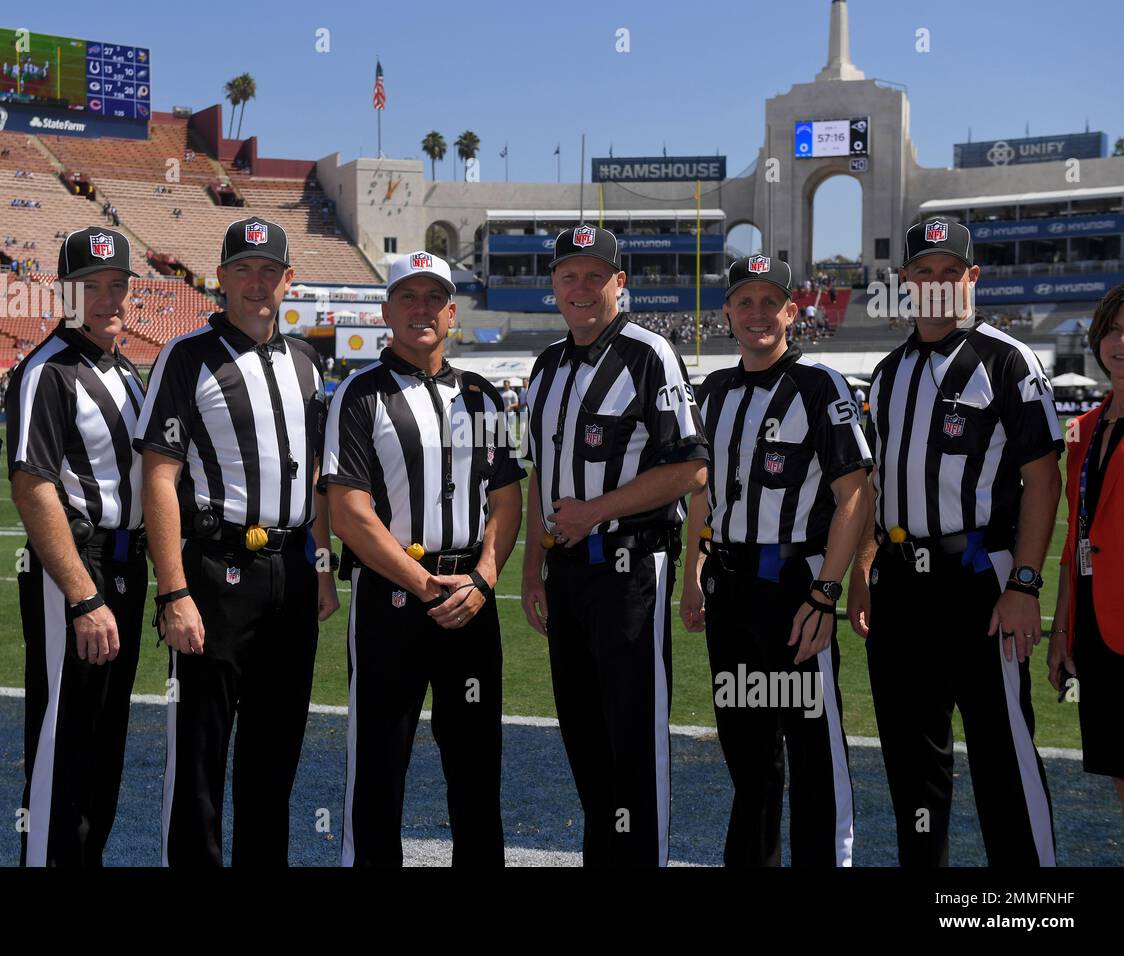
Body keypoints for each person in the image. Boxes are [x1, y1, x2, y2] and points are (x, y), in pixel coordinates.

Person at [846, 219, 1062, 866]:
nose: (936, 284)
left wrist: (1025, 583)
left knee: (1002, 757)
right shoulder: (886, 374)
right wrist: (862, 570)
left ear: (972, 278)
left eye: (950, 272)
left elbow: (1043, 481)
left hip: (979, 577)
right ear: (906, 280)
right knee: (913, 765)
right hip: (900, 586)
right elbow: (876, 482)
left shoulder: (1006, 360)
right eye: (924, 272)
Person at [135, 217, 338, 866]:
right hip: (217, 570)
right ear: (220, 278)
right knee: (200, 751)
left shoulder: (307, 360)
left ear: (288, 279)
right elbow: (159, 478)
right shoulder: (188, 355)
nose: (257, 283)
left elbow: (317, 478)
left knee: (274, 754)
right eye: (243, 270)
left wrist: (325, 569)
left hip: (293, 570)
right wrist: (174, 592)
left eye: (269, 271)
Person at [321, 252, 523, 866]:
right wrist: (425, 584)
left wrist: (484, 579)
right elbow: (348, 511)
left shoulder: (485, 398)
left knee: (475, 768)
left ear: (452, 312)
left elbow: (508, 498)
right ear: (387, 312)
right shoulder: (357, 394)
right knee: (380, 765)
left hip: (471, 601)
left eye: (433, 298)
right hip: (393, 600)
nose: (421, 310)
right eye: (408, 298)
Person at [521, 225, 709, 866]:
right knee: (583, 737)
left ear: (618, 283)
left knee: (634, 743)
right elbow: (540, 474)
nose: (580, 287)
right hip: (568, 573)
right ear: (553, 285)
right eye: (569, 275)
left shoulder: (649, 353)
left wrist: (592, 512)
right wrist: (533, 567)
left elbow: (690, 469)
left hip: (630, 570)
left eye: (594, 275)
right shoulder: (546, 366)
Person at [680, 255, 871, 866]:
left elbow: (856, 493)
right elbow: (702, 494)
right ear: (727, 313)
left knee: (814, 753)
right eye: (744, 301)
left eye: (771, 301)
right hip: (731, 591)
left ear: (793, 310)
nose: (757, 313)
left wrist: (825, 592)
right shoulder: (712, 391)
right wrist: (693, 578)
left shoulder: (819, 385)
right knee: (748, 755)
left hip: (793, 589)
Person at [8, 227, 148, 866]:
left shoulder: (122, 367)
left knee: (103, 742)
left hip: (124, 564)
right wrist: (82, 594)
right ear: (63, 294)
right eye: (90, 287)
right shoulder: (47, 371)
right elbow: (33, 485)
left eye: (117, 284)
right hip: (80, 569)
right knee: (63, 740)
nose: (108, 298)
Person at [1048, 284, 1124, 812]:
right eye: (1113, 329)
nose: (1121, 340)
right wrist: (1062, 633)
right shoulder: (1085, 431)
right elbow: (1077, 538)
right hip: (1097, 628)